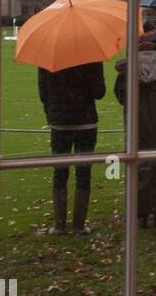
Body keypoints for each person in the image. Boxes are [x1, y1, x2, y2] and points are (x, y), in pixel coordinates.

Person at [115, 32, 156, 228]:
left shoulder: (127, 69)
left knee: (138, 163)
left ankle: (139, 212)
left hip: (137, 120)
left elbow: (120, 95)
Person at [38, 59, 106, 235]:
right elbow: (99, 92)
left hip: (59, 122)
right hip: (86, 120)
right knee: (84, 172)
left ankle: (60, 225)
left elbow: (43, 94)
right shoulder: (91, 56)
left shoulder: (49, 56)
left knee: (60, 171)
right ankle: (78, 224)